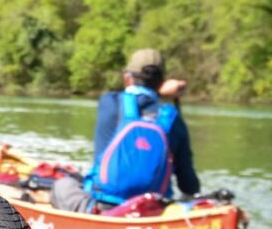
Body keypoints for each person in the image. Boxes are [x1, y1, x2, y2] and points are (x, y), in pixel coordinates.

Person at [51, 48, 199, 213]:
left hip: (106, 208)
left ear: (127, 78)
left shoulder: (110, 103)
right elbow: (189, 186)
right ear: (161, 82)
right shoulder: (173, 119)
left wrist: (159, 91)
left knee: (62, 185)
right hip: (153, 211)